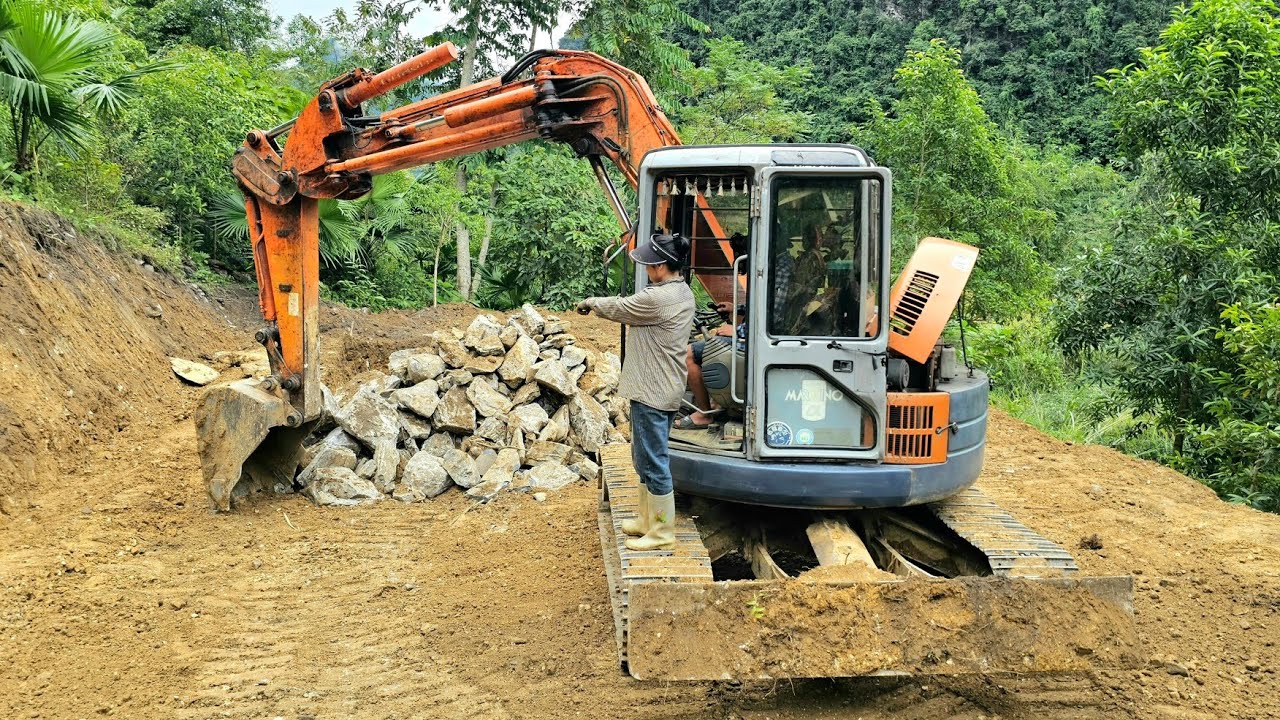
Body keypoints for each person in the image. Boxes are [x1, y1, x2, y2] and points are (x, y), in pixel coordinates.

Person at [577, 232, 695, 551]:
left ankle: (661, 531)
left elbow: (621, 307)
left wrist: (591, 303)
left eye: (648, 265)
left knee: (654, 461)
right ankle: (647, 520)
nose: (646, 269)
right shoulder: (680, 290)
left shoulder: (658, 298)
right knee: (643, 458)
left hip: (652, 392)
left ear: (659, 266)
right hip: (662, 388)